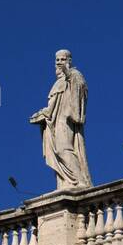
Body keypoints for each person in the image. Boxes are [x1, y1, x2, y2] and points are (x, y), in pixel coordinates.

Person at [29, 49, 92, 188]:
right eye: (57, 60)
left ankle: (80, 182)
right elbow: (52, 107)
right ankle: (66, 183)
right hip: (55, 121)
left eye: (62, 59)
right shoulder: (58, 83)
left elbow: (80, 87)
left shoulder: (75, 75)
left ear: (69, 61)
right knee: (57, 151)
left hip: (66, 119)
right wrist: (41, 114)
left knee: (64, 149)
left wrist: (69, 73)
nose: (59, 63)